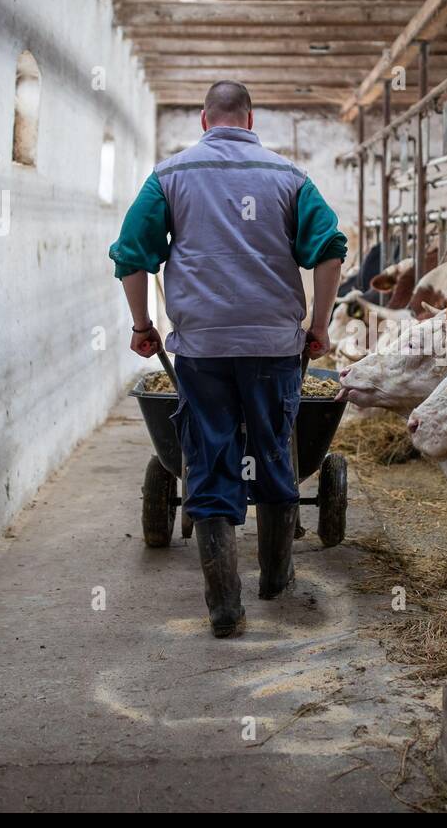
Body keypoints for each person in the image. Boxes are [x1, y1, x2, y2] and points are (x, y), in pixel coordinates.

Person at [109, 81, 346, 638]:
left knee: (209, 456)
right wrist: (319, 326)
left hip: (203, 347)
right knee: (275, 449)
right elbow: (330, 248)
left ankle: (223, 605)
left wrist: (143, 326)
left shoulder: (170, 176)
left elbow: (130, 256)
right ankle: (275, 578)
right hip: (273, 346)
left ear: (203, 120)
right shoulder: (290, 178)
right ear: (250, 118)